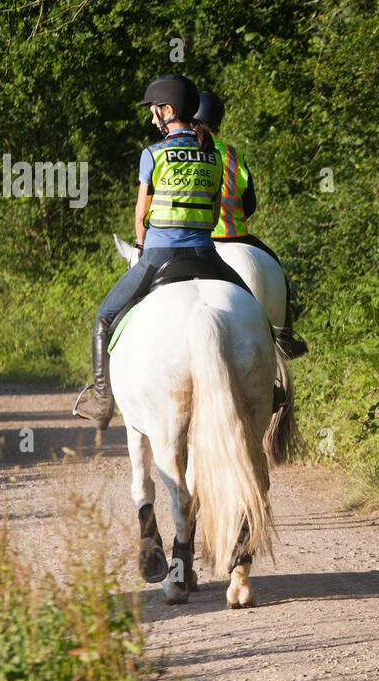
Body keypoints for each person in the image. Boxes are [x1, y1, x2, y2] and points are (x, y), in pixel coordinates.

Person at [72, 74, 252, 429]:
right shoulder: (214, 157)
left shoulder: (153, 154)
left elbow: (141, 215)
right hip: (206, 253)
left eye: (155, 112)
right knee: (255, 311)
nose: (153, 119)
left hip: (159, 256)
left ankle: (103, 400)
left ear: (168, 111)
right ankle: (271, 387)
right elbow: (215, 213)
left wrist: (141, 246)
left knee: (105, 316)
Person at [195, 90, 307, 358]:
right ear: (217, 122)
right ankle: (287, 342)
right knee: (275, 267)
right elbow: (250, 203)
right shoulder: (233, 154)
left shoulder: (184, 151)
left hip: (198, 238)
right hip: (237, 236)